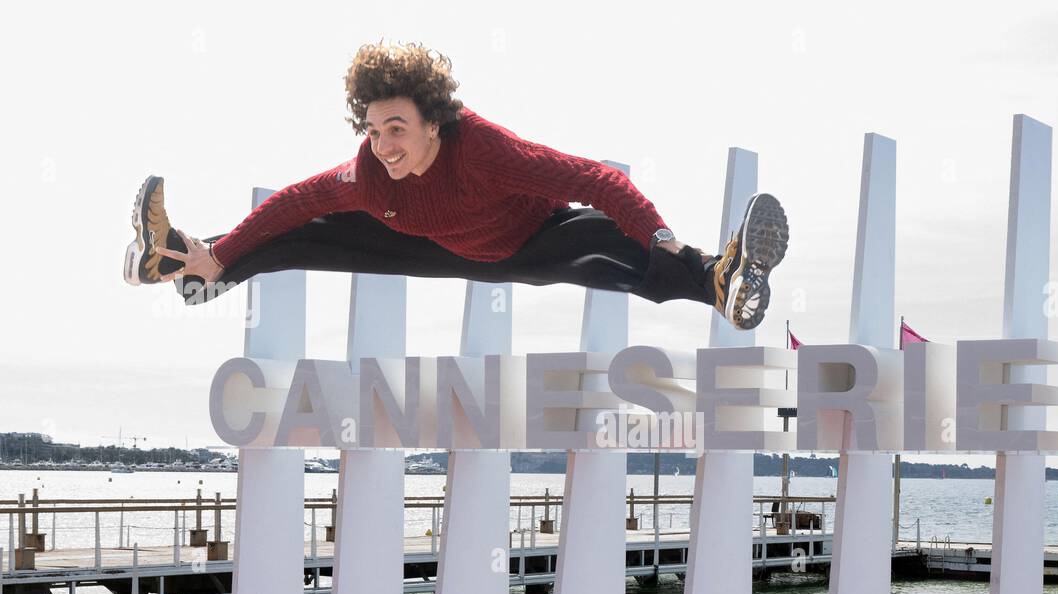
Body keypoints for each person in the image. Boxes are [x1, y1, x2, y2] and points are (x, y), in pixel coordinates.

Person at [123, 41, 789, 331]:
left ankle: (719, 281)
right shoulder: (367, 171)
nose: (385, 146)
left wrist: (661, 236)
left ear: (434, 123)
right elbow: (294, 200)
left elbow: (595, 178)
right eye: (375, 129)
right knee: (302, 229)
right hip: (423, 237)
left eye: (398, 129)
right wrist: (227, 250)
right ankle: (185, 262)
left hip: (525, 238)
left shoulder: (485, 152)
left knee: (607, 246)